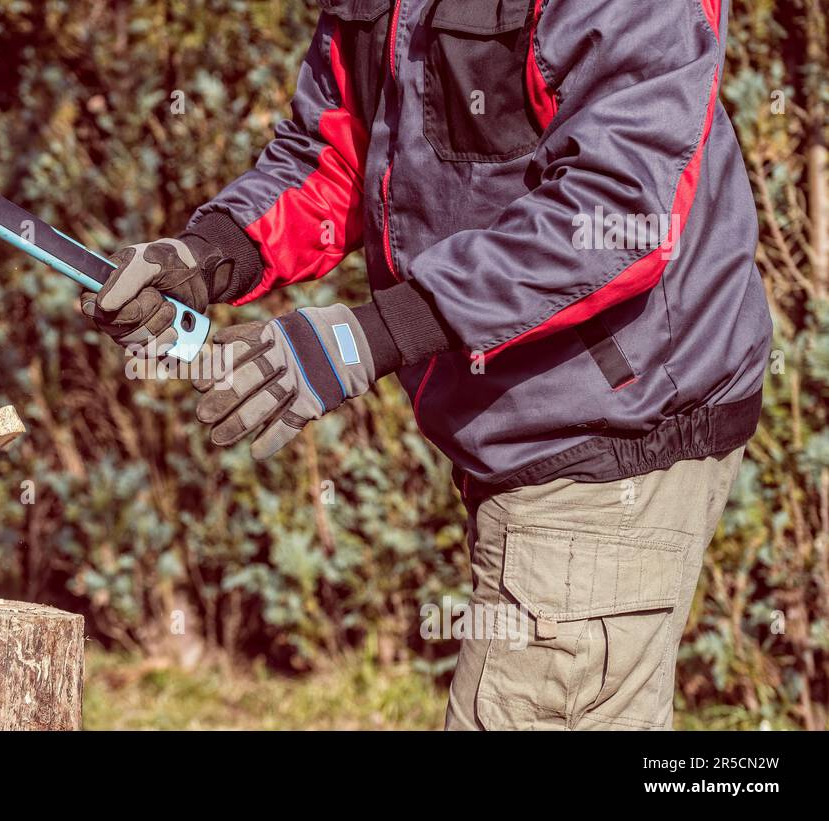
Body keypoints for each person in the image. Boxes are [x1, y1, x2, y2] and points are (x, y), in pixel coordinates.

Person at [80, 0, 771, 729]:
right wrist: (214, 253)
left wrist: (373, 334)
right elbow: (339, 150)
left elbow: (618, 213)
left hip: (611, 428)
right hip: (528, 431)